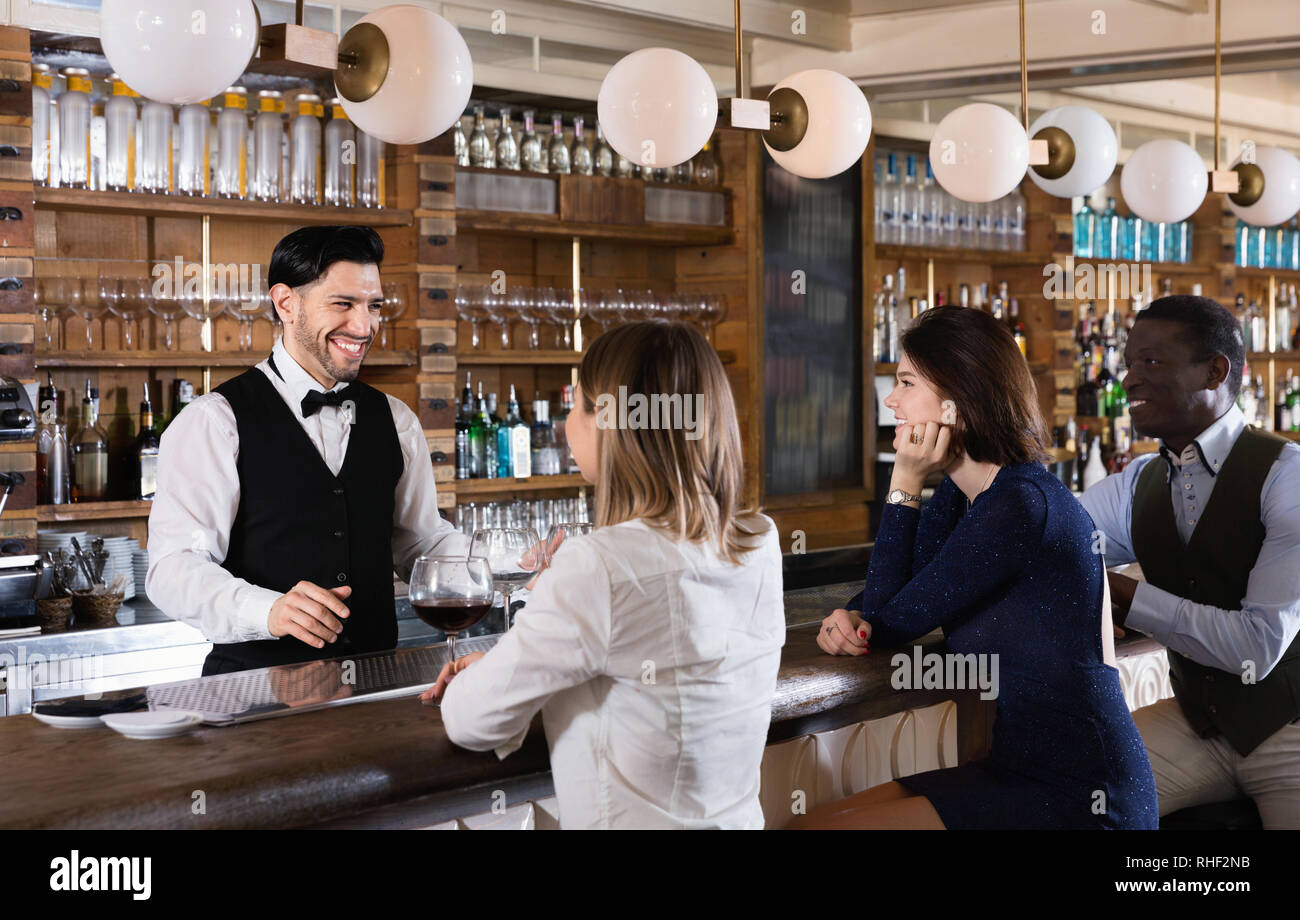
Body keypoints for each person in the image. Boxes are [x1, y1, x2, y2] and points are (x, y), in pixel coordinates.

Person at [795, 306, 1157, 829]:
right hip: (1018, 768)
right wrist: (850, 615)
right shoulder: (967, 498)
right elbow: (895, 599)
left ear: (954, 403)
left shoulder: (1020, 504)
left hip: (1084, 788)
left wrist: (904, 480)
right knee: (809, 823)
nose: (891, 401)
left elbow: (893, 621)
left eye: (904, 383)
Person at [424, 321, 785, 829]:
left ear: (612, 422)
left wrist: (492, 672)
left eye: (577, 405)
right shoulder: (758, 539)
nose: (567, 424)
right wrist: (516, 659)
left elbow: (470, 721)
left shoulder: (599, 564)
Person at [147, 225, 468, 675]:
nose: (364, 326)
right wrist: (268, 610)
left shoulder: (397, 420)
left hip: (372, 692)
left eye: (374, 306)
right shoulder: (215, 421)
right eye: (343, 304)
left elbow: (421, 541)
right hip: (255, 700)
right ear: (286, 303)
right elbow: (173, 568)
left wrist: (502, 566)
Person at [1079, 294, 1300, 829]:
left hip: (1291, 729)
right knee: (1071, 795)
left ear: (1215, 371)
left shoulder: (1287, 476)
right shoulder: (1139, 482)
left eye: (1151, 362)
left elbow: (1257, 645)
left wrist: (1123, 596)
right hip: (1199, 726)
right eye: (1129, 362)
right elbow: (1041, 536)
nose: (1129, 379)